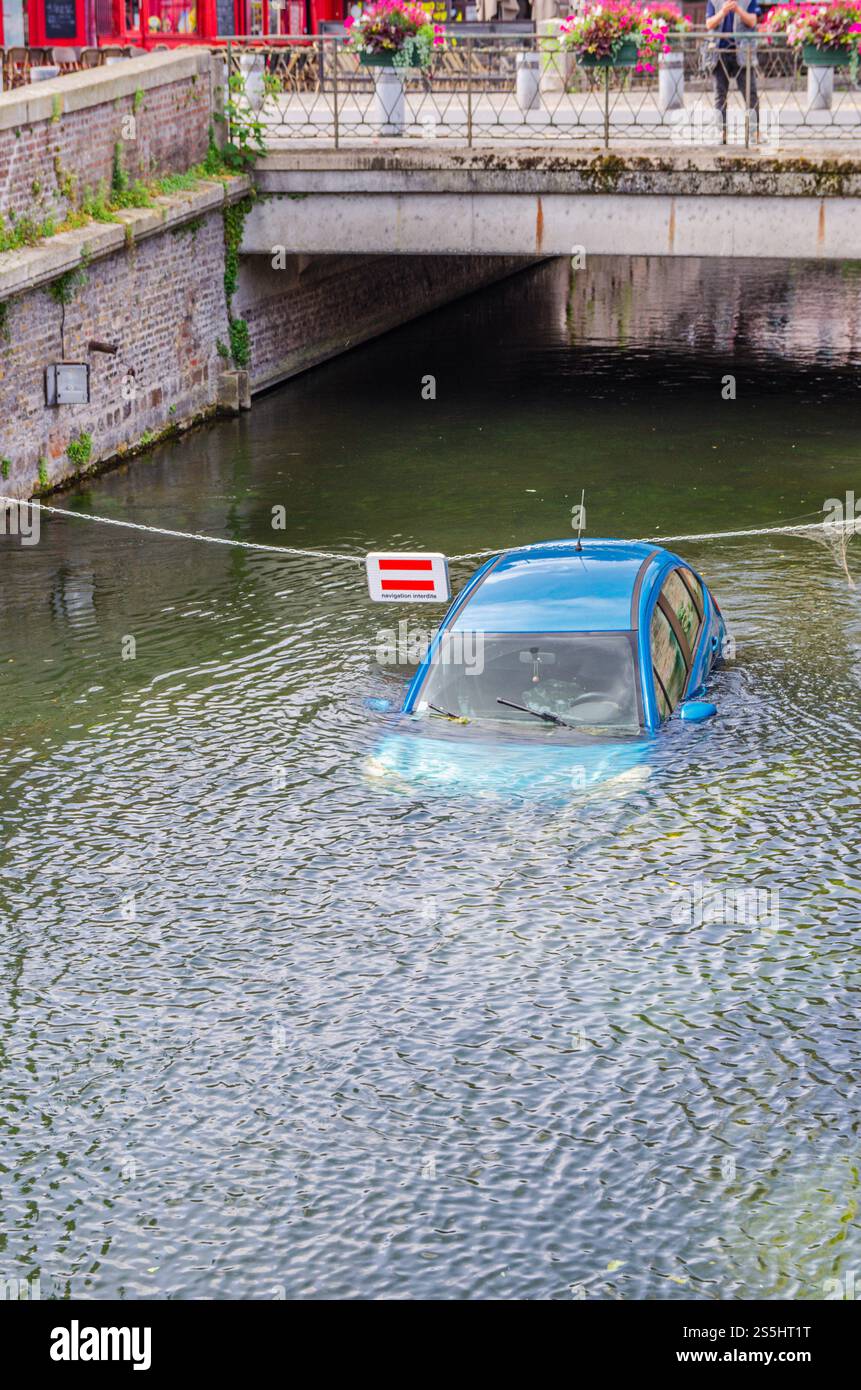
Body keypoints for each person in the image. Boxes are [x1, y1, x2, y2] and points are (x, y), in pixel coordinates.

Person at [704, 0, 761, 142]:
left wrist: (738, 10)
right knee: (720, 94)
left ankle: (754, 132)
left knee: (750, 93)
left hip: (742, 51)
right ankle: (721, 132)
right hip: (719, 52)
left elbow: (752, 21)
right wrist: (723, 12)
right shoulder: (714, 1)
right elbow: (709, 24)